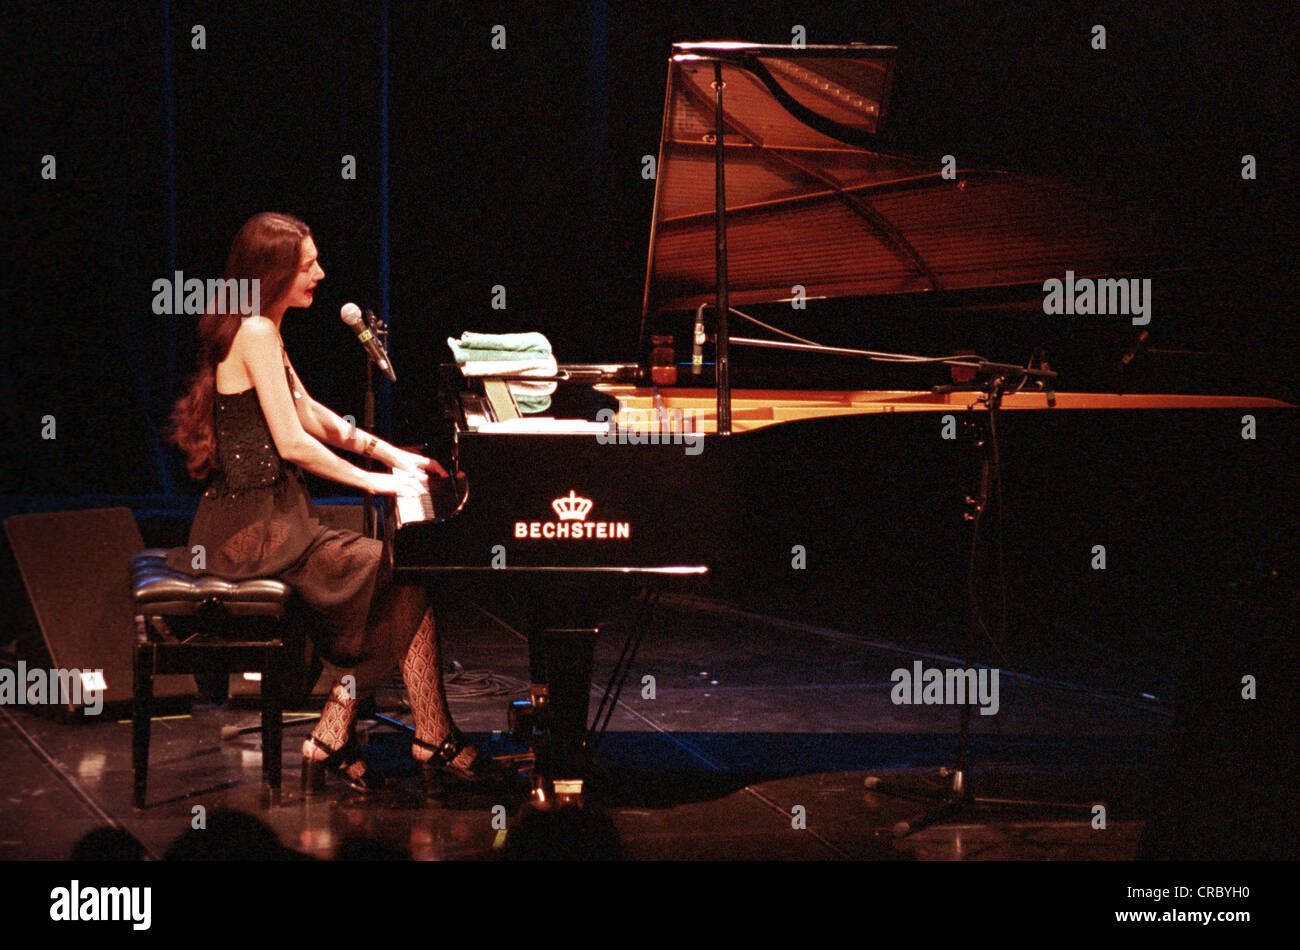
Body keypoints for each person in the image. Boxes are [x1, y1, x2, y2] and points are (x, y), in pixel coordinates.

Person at [167, 211, 500, 796]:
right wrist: (375, 483)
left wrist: (392, 455)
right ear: (273, 273)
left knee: (401, 579)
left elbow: (312, 415)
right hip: (249, 534)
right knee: (398, 572)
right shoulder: (256, 334)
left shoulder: (262, 327)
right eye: (307, 264)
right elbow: (294, 441)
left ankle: (356, 731)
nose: (319, 272)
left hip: (264, 523)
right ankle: (405, 732)